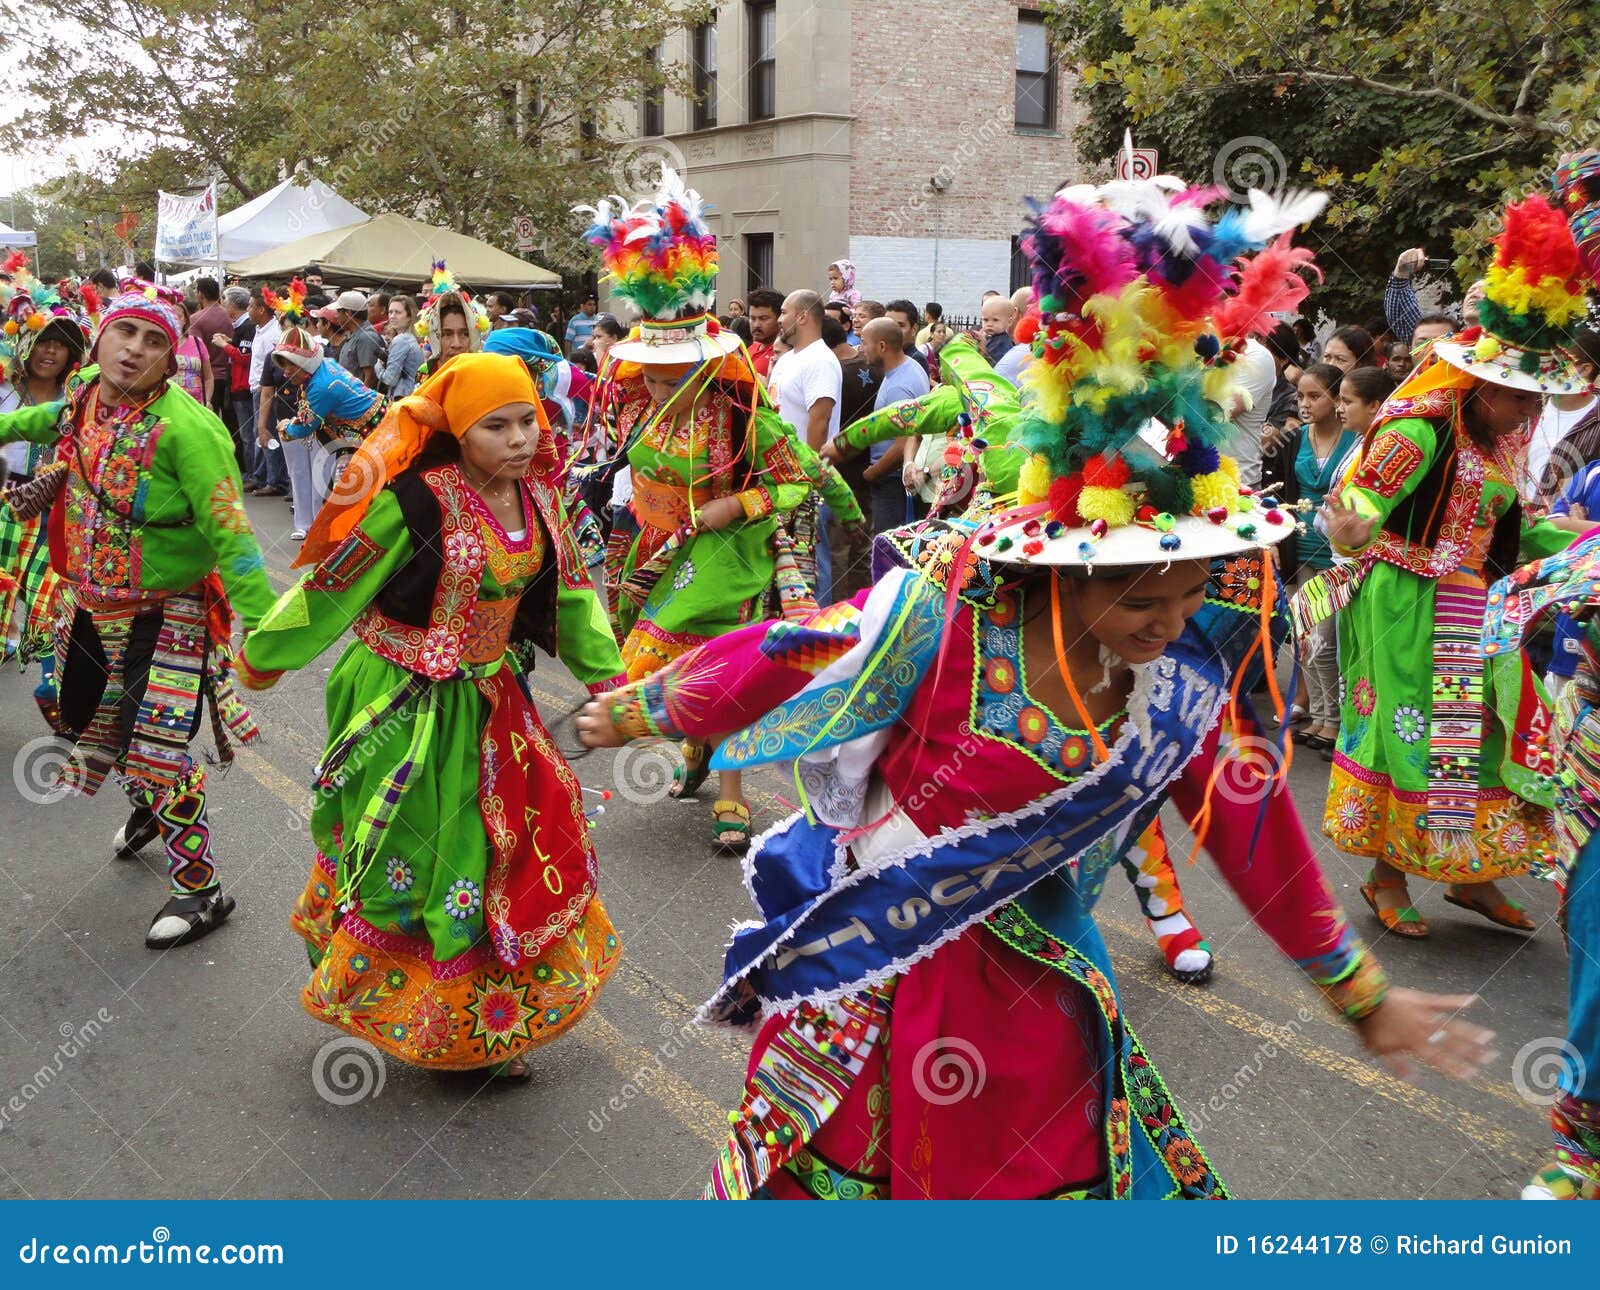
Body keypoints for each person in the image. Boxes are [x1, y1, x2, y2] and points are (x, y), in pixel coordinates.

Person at [580, 182, 1494, 1198]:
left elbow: (1253, 825)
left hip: (1040, 989)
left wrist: (1357, 993)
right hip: (881, 974)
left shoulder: (1178, 690)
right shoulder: (945, 614)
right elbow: (789, 647)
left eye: (1192, 588)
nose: (1171, 620)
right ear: (1068, 572)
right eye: (1141, 595)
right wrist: (642, 706)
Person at [237, 352, 625, 1079]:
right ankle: (402, 996)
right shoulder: (414, 502)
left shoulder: (543, 500)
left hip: (493, 699)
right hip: (399, 701)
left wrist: (612, 682)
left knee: (492, 852)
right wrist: (265, 656)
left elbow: (573, 597)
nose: (519, 439)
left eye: (528, 421)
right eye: (496, 426)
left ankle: (480, 1025)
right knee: (414, 851)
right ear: (459, 431)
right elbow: (334, 586)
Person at [1314, 194, 1587, 939]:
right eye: (1521, 398)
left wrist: (1582, 542)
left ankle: (1472, 875)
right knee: (1410, 736)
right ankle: (1386, 877)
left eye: (1537, 399)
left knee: (1474, 739)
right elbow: (1362, 500)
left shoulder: (1499, 442)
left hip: (1471, 607)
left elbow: (1516, 528)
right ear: (1485, 385)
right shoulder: (1423, 427)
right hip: (1404, 598)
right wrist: (1351, 524)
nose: (1532, 413)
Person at [579, 170, 861, 849]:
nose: (655, 387)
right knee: (663, 673)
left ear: (702, 369)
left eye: (669, 378)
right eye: (648, 376)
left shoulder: (744, 418)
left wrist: (736, 502)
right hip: (655, 554)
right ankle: (697, 746)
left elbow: (798, 481)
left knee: (722, 676)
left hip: (728, 565)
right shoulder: (636, 408)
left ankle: (731, 795)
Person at [0, 280, 274, 948]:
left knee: (157, 749)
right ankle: (151, 808)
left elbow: (234, 535)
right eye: (124, 332)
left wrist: (266, 633)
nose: (134, 350)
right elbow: (37, 421)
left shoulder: (191, 430)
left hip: (166, 614)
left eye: (154, 340)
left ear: (170, 356)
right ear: (100, 339)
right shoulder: (85, 397)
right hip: (90, 606)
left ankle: (202, 889)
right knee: (77, 714)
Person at [0, 273, 90, 726]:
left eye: (60, 345)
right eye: (43, 342)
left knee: (53, 602)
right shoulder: (3, 389)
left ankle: (52, 689)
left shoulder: (77, 399)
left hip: (53, 513)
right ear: (25, 345)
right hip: (3, 506)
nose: (50, 351)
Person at [1289, 362, 1365, 753]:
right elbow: (1283, 491)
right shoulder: (1294, 438)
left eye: (1315, 396)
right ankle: (1318, 716)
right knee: (1305, 637)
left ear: (1336, 399)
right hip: (1299, 546)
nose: (1305, 403)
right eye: (1300, 396)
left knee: (1327, 639)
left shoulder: (1355, 440)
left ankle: (1334, 721)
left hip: (1335, 550)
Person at [770, 290, 842, 600]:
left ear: (803, 316)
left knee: (812, 560)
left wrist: (808, 474)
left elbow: (820, 419)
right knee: (790, 562)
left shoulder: (820, 360)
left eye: (784, 312)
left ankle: (820, 622)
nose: (779, 319)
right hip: (782, 479)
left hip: (806, 480)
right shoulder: (788, 359)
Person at [856, 315, 929, 533]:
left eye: (864, 342)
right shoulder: (909, 366)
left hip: (892, 480)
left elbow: (902, 444)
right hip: (894, 477)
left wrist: (872, 473)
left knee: (888, 543)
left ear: (882, 346)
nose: (860, 348)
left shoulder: (899, 386)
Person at [416, 261, 491, 378]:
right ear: (434, 337)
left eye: (465, 334)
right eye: (447, 334)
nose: (456, 344)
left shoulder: (488, 376)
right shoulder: (425, 375)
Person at [187, 276, 232, 419]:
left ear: (200, 294)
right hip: (230, 375)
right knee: (232, 422)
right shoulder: (230, 315)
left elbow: (196, 350)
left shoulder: (196, 319)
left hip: (208, 377)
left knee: (209, 419)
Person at [331, 289, 382, 389]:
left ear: (348, 313)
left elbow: (370, 378)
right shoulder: (355, 335)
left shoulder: (366, 337)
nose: (336, 316)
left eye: (338, 312)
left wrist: (359, 398)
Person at [378, 293, 425, 398]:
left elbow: (390, 380)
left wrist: (378, 366)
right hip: (411, 395)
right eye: (390, 312)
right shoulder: (410, 338)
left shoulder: (402, 340)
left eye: (398, 312)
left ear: (409, 317)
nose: (392, 316)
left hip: (402, 397)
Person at [745, 287, 784, 378]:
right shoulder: (751, 348)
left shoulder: (784, 354)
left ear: (779, 319)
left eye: (763, 318)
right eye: (752, 318)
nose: (756, 325)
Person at [977, 291, 1017, 365]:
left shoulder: (1001, 343)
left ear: (1009, 322)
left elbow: (989, 363)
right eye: (985, 320)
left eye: (995, 320)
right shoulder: (989, 337)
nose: (989, 324)